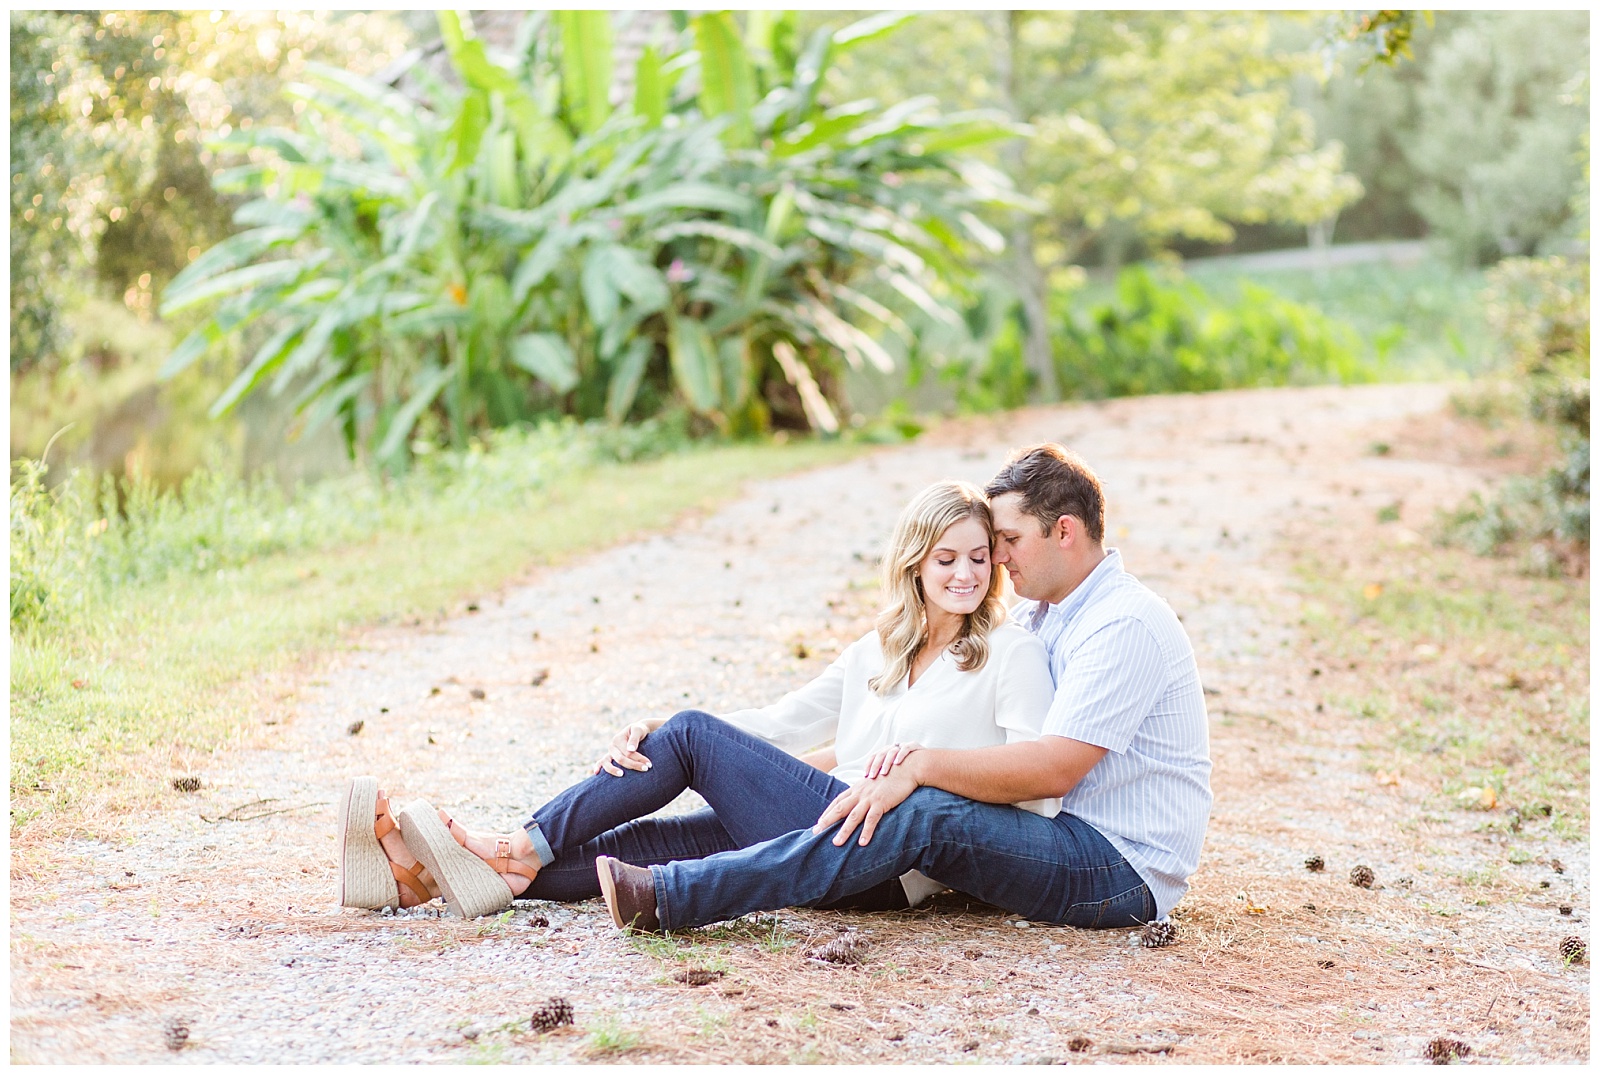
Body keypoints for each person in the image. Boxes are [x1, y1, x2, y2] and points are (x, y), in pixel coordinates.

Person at [337, 480, 1057, 919]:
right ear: (914, 562)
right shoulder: (878, 650)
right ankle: (424, 882)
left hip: (886, 860)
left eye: (977, 557)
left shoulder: (1008, 651)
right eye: (946, 557)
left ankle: (512, 843)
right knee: (640, 848)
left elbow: (1036, 797)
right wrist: (655, 730)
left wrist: (936, 781)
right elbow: (775, 725)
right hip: (814, 820)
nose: (965, 573)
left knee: (690, 736)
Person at [590, 443, 1213, 934]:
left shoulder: (1122, 623)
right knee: (781, 809)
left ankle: (675, 897)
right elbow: (859, 733)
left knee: (922, 810)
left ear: (1067, 531)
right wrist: (770, 773)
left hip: (1118, 866)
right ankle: (525, 862)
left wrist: (918, 766)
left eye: (1008, 542)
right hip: (1056, 835)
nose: (996, 561)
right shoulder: (1040, 614)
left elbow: (1054, 770)